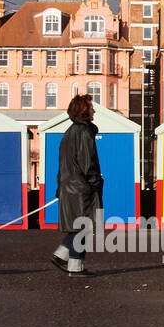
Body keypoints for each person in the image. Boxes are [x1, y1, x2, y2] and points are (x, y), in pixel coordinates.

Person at [51, 94, 103, 276]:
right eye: (91, 107)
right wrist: (96, 182)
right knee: (84, 226)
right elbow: (88, 162)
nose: (94, 110)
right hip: (82, 188)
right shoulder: (84, 132)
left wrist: (60, 188)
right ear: (84, 110)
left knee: (79, 226)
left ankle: (62, 256)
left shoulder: (69, 132)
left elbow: (63, 164)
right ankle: (74, 266)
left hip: (68, 186)